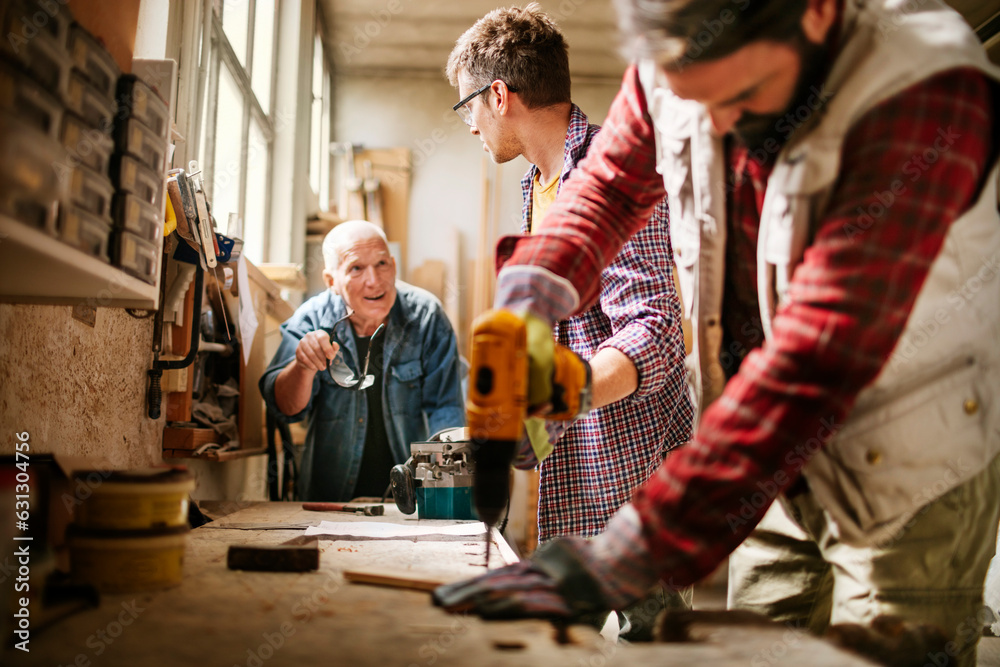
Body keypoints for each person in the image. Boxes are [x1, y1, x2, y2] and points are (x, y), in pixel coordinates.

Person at [434, 0, 1000, 663]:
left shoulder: (924, 87)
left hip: (905, 453)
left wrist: (620, 557)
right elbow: (609, 190)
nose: (719, 127)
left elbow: (814, 365)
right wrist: (526, 301)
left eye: (742, 95)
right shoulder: (675, 55)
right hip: (758, 454)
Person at [446, 5, 694, 639]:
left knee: (655, 646)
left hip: (630, 475)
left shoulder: (612, 175)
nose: (469, 125)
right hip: (573, 473)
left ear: (498, 95)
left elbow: (653, 330)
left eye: (468, 105)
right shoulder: (538, 185)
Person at [260, 220, 465, 502]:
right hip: (330, 502)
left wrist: (445, 494)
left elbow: (446, 409)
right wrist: (303, 366)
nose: (374, 280)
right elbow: (285, 408)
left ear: (393, 264)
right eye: (356, 268)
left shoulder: (426, 316)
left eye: (382, 264)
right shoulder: (312, 319)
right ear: (331, 281)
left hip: (411, 501)